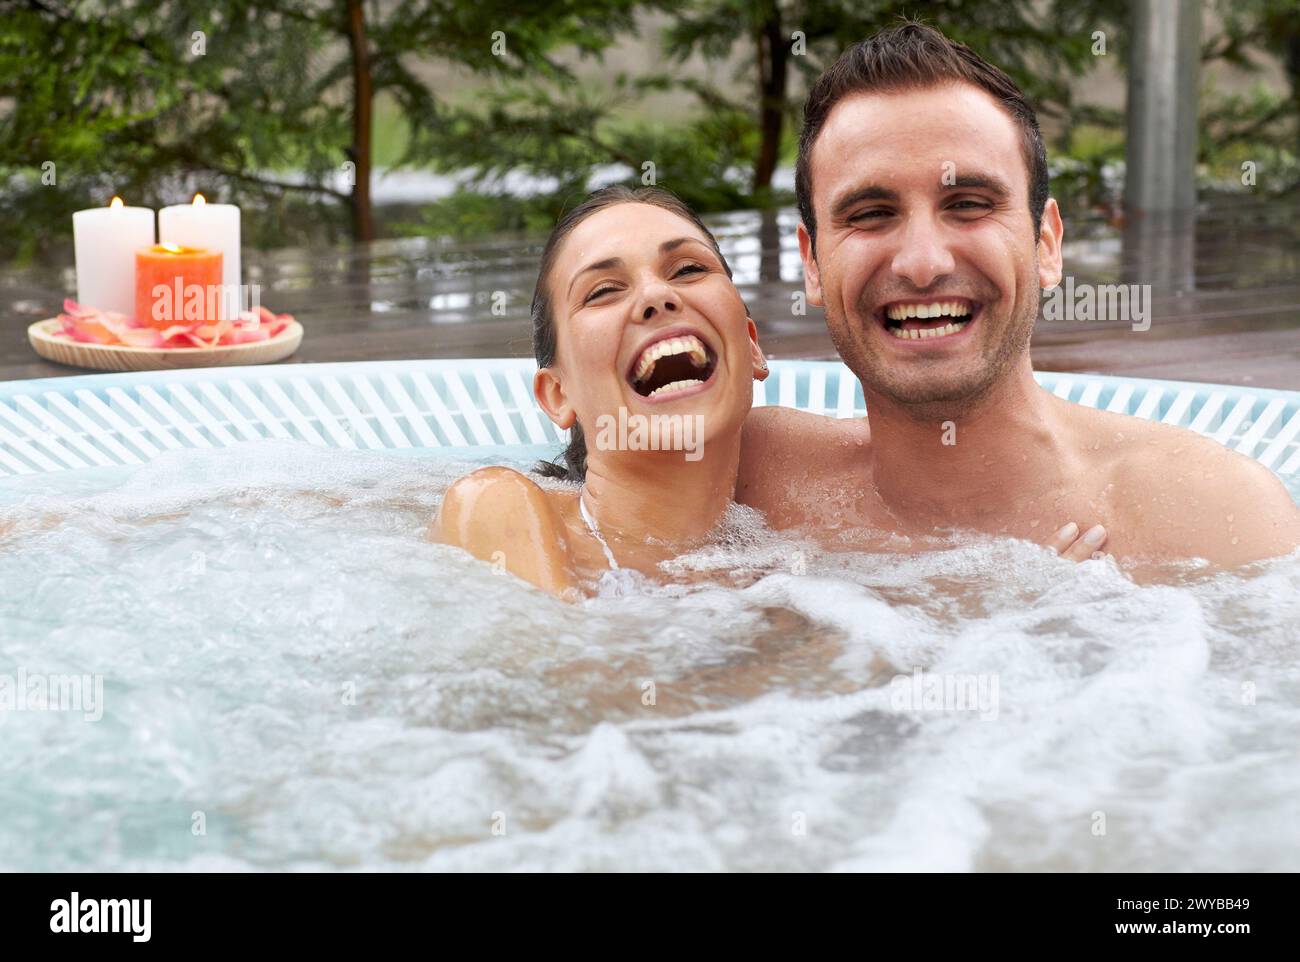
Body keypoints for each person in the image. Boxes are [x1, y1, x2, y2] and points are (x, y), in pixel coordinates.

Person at [736, 23, 1300, 569]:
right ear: (811, 263)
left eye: (969, 205)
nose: (924, 263)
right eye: (871, 214)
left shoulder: (1212, 519)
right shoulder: (751, 485)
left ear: (1046, 243)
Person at [431, 186, 1106, 598]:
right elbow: (564, 704)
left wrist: (1016, 612)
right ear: (556, 396)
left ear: (751, 346)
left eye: (687, 269)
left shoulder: (782, 562)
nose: (658, 297)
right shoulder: (502, 509)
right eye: (605, 291)